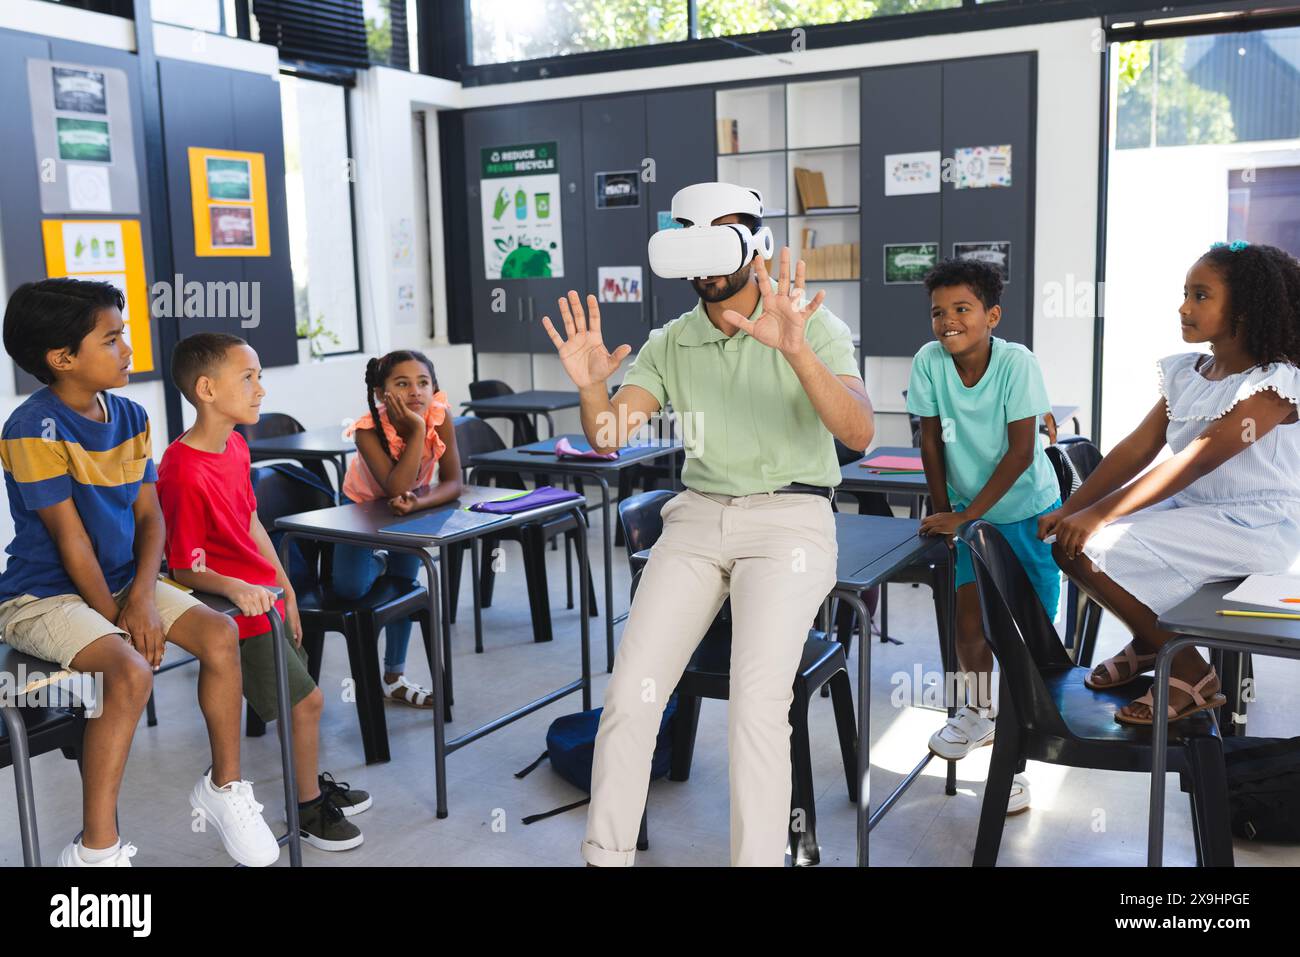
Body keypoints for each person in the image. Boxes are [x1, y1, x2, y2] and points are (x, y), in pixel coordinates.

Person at [542, 182, 874, 866]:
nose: (708, 256)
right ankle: (606, 854)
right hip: (696, 519)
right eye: (692, 235)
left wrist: (796, 350)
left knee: (757, 700)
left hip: (791, 518)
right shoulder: (672, 342)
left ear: (757, 242)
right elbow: (608, 432)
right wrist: (588, 384)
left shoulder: (814, 323)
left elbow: (860, 431)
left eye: (722, 233)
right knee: (631, 691)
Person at [0, 279, 277, 867]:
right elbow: (71, 541)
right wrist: (122, 622)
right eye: (112, 338)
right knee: (129, 671)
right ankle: (94, 850)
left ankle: (224, 789)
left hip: (129, 580)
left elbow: (151, 520)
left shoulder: (129, 414)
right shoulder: (31, 428)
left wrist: (144, 597)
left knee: (220, 636)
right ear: (62, 358)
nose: (127, 350)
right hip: (44, 596)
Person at [1046, 241, 1300, 724]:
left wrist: (1100, 513)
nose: (1183, 307)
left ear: (1244, 309)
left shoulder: (1274, 384)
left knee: (1087, 547)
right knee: (1071, 540)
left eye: (1201, 295)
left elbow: (1195, 461)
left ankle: (1190, 672)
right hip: (1193, 512)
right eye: (1185, 292)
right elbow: (1138, 447)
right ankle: (1149, 643)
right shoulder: (1190, 372)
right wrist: (1074, 506)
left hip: (1255, 526)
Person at [159, 332, 373, 851]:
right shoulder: (181, 470)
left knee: (301, 701)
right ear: (207, 389)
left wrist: (286, 587)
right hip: (238, 613)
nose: (261, 390)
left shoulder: (233, 443)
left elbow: (251, 519)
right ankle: (306, 809)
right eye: (248, 378)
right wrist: (240, 586)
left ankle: (307, 785)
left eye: (260, 377)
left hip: (268, 600)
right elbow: (183, 568)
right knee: (309, 703)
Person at [906, 259, 1062, 815]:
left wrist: (967, 512)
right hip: (971, 519)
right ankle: (976, 713)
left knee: (1022, 638)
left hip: (1025, 513)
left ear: (992, 315)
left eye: (962, 309)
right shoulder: (929, 363)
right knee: (968, 625)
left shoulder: (1017, 363)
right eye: (938, 312)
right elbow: (931, 443)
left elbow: (1023, 452)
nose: (948, 321)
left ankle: (1015, 762)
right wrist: (949, 514)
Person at [331, 350, 462, 707]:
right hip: (360, 514)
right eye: (401, 384)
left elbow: (453, 482)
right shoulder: (367, 431)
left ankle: (394, 677)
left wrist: (419, 504)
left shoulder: (441, 415)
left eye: (423, 383)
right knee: (350, 588)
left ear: (434, 387)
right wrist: (418, 430)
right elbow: (394, 487)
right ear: (380, 393)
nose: (415, 392)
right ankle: (381, 562)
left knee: (404, 589)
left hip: (407, 511)